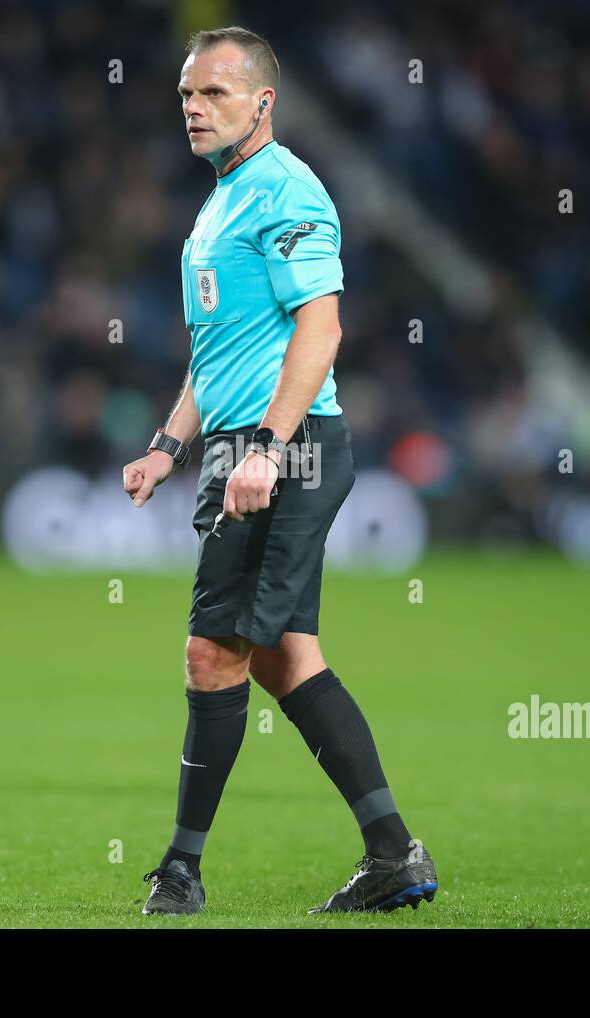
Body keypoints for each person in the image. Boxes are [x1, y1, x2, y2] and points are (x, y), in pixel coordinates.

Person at [122, 26, 437, 916]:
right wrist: (168, 446)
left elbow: (321, 329)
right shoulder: (219, 203)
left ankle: (181, 871)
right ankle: (393, 852)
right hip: (243, 447)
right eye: (186, 93)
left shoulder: (287, 189)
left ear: (262, 103)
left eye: (214, 93)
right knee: (283, 659)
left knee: (211, 651)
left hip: (282, 451)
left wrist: (265, 446)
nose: (193, 106)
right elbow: (215, 354)